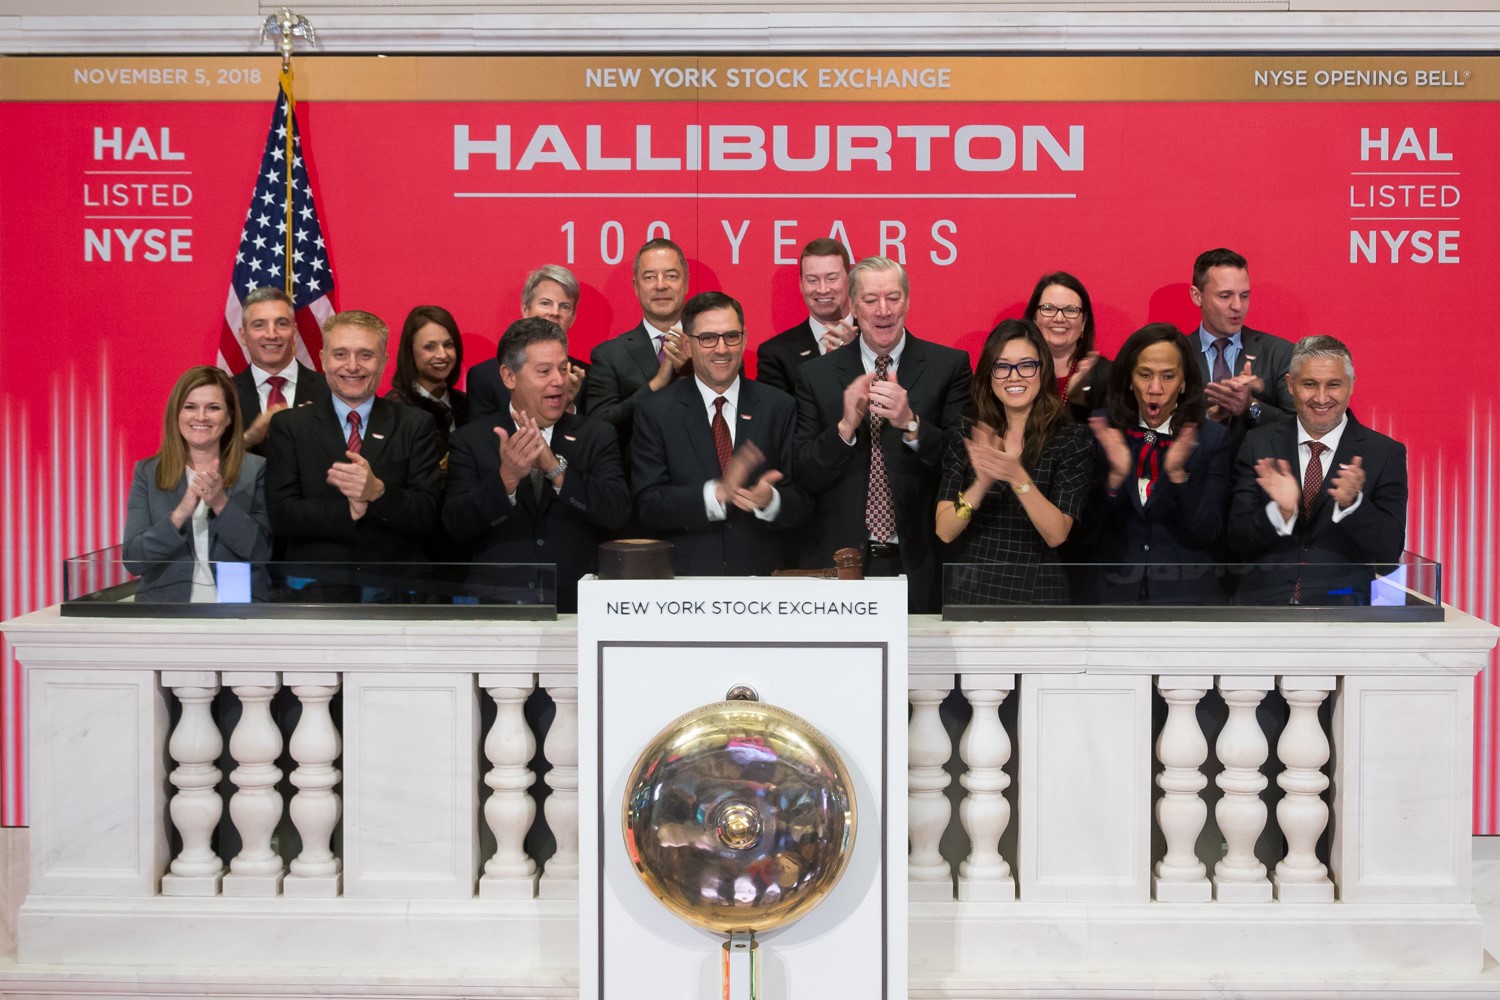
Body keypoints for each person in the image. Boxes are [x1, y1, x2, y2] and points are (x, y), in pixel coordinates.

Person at [793, 256, 970, 612]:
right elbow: (804, 472)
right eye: (871, 300)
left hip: (919, 560)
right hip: (840, 562)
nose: (883, 310)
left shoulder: (948, 366)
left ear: (907, 300)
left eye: (893, 297)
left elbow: (962, 459)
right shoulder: (816, 375)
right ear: (853, 307)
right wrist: (844, 429)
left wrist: (911, 424)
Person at [443, 317, 630, 612]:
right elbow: (455, 525)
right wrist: (505, 480)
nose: (559, 380)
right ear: (509, 376)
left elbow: (617, 511)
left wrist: (555, 470)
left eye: (563, 369)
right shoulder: (472, 440)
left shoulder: (596, 434)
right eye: (544, 371)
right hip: (497, 607)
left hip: (579, 606)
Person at [264, 310, 443, 601]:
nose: (352, 366)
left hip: (394, 593)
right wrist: (349, 510)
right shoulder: (290, 426)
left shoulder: (415, 424)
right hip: (314, 591)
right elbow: (282, 515)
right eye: (340, 354)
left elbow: (427, 513)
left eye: (365, 355)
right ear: (322, 359)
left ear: (384, 361)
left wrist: (378, 493)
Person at [633, 291, 810, 576]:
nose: (721, 348)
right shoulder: (656, 411)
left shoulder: (779, 406)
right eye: (708, 338)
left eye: (731, 336)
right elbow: (648, 505)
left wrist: (771, 501)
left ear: (745, 338)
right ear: (688, 345)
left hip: (764, 584)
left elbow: (803, 500)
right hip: (685, 586)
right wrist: (715, 495)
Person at [1228, 335, 1407, 605]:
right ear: (1289, 384)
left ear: (1351, 385)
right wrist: (1280, 512)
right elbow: (1236, 541)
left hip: (1343, 619)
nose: (1321, 398)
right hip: (1261, 613)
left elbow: (1389, 550)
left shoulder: (1384, 453)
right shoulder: (1259, 443)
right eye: (1309, 384)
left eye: (1333, 385)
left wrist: (1352, 504)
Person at [935, 319, 1093, 605]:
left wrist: (1017, 476)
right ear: (990, 375)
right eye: (1002, 366)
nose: (1014, 376)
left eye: (1026, 365)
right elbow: (945, 530)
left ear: (1042, 370)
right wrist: (979, 486)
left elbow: (1057, 534)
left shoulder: (1070, 440)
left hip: (1038, 593)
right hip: (972, 590)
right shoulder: (966, 434)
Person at [1080, 324, 1232, 604]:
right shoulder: (1101, 430)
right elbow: (1083, 534)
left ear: (1184, 381)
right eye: (1144, 375)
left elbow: (1208, 532)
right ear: (1128, 378)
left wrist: (1178, 476)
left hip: (1185, 601)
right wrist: (1113, 480)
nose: (1155, 389)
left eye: (1168, 376)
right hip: (1109, 598)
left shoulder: (1212, 438)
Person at [123, 366, 271, 602]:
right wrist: (181, 512)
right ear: (176, 414)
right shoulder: (148, 472)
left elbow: (262, 552)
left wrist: (220, 503)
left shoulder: (255, 469)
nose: (200, 417)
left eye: (213, 408)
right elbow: (134, 560)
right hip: (166, 612)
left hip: (238, 609)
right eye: (190, 407)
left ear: (229, 417)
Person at [585, 238, 692, 462]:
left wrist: (694, 371)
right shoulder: (609, 356)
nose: (661, 285)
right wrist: (656, 385)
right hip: (635, 483)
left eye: (671, 276)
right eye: (650, 277)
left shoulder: (714, 345)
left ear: (686, 282)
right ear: (636, 286)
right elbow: (597, 428)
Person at [1187, 248, 1295, 437]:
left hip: (1258, 465)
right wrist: (1208, 416)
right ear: (1197, 296)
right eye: (1225, 296)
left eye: (1244, 296)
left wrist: (1251, 406)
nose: (1237, 306)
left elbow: (1300, 427)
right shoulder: (1177, 354)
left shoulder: (1279, 353)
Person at [468, 265, 590, 421]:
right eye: (545, 303)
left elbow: (591, 439)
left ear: (573, 317)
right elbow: (480, 439)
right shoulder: (485, 375)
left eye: (564, 306)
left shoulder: (585, 376)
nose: (554, 312)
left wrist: (566, 407)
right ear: (525, 309)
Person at [231, 286, 330, 453]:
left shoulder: (329, 390)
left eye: (282, 324)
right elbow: (206, 460)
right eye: (259, 325)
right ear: (243, 336)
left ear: (294, 332)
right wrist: (248, 438)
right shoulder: (225, 392)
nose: (271, 334)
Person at [756, 238, 856, 395]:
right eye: (813, 280)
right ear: (801, 285)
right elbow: (778, 418)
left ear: (849, 281)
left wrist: (857, 352)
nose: (823, 289)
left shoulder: (877, 339)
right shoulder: (776, 354)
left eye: (831, 278)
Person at [1024, 271, 1110, 422]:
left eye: (1071, 310)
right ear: (1034, 318)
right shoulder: (1015, 371)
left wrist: (1079, 399)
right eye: (1049, 308)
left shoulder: (1104, 376)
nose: (1059, 318)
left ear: (1083, 322)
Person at [384, 305, 470, 453]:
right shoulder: (393, 410)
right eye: (430, 347)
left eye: (448, 345)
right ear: (410, 352)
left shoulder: (467, 404)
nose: (442, 354)